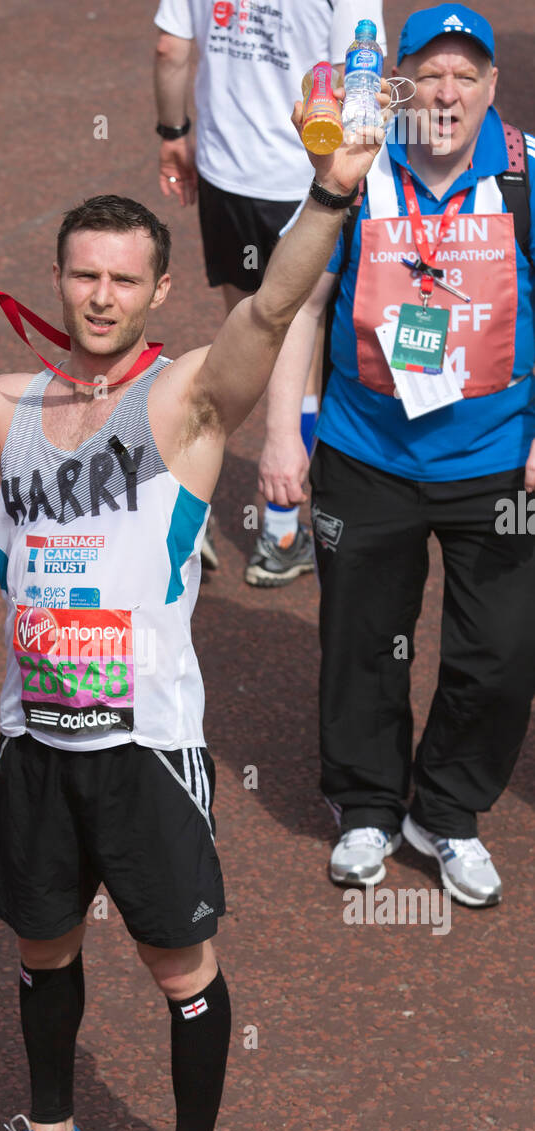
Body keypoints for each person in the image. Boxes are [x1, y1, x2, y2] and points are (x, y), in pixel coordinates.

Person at [0, 94, 386, 1131]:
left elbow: (275, 303)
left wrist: (331, 191)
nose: (96, 295)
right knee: (39, 951)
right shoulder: (5, 408)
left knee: (177, 967)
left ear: (149, 291)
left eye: (120, 279)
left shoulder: (184, 398)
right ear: (58, 276)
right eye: (80, 274)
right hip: (33, 737)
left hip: (143, 745)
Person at [262, 4, 535, 907]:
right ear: (398, 86)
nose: (447, 92)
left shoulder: (527, 178)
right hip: (365, 452)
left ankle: (447, 813)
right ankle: (369, 805)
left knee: (499, 654)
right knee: (361, 644)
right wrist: (279, 436)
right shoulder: (353, 172)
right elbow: (296, 307)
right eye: (431, 73)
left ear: (492, 88)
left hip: (495, 463)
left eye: (467, 75)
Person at [153, 0, 386, 584]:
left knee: (241, 347)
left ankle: (189, 517)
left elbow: (170, 50)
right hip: (311, 182)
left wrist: (173, 131)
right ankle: (280, 532)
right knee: (296, 340)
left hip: (225, 174)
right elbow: (357, 79)